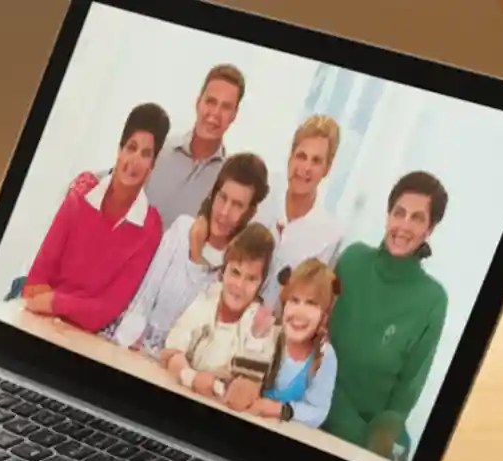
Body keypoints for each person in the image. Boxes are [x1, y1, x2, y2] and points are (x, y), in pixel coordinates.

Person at [323, 171, 449, 461]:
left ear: (429, 229)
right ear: (388, 215)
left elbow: (407, 390)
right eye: (399, 213)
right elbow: (315, 339)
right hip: (318, 408)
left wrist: (379, 443)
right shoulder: (353, 260)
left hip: (370, 437)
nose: (404, 225)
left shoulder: (433, 299)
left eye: (417, 218)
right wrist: (352, 432)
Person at [21, 103, 171, 333]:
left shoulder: (150, 227)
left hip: (84, 340)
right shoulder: (82, 193)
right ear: (119, 150)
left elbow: (106, 311)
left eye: (146, 154)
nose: (134, 161)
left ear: (153, 165)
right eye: (131, 147)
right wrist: (77, 307)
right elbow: (34, 285)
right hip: (35, 322)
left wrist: (54, 301)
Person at [104, 152, 271, 356]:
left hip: (175, 366)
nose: (225, 212)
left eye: (237, 205)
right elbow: (143, 301)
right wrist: (125, 344)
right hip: (131, 345)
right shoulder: (182, 230)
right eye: (223, 198)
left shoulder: (235, 270)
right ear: (213, 194)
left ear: (250, 213)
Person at [160, 224, 277, 400]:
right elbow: (171, 353)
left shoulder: (261, 327)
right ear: (224, 270)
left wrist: (215, 387)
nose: (239, 286)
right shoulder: (207, 298)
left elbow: (245, 392)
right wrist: (192, 378)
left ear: (261, 284)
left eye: (251, 279)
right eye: (235, 272)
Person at [227, 259, 341, 428]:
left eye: (311, 304)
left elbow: (317, 412)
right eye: (294, 300)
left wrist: (279, 409)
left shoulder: (325, 356)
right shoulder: (267, 334)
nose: (299, 312)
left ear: (324, 315)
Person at [249, 114, 346, 310]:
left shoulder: (329, 236)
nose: (306, 168)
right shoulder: (262, 193)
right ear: (290, 156)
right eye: (301, 156)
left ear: (327, 168)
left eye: (316, 161)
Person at [141, 64, 245, 230]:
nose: (215, 114)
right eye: (211, 102)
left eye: (225, 107)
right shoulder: (159, 149)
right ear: (198, 103)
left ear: (234, 115)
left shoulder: (226, 182)